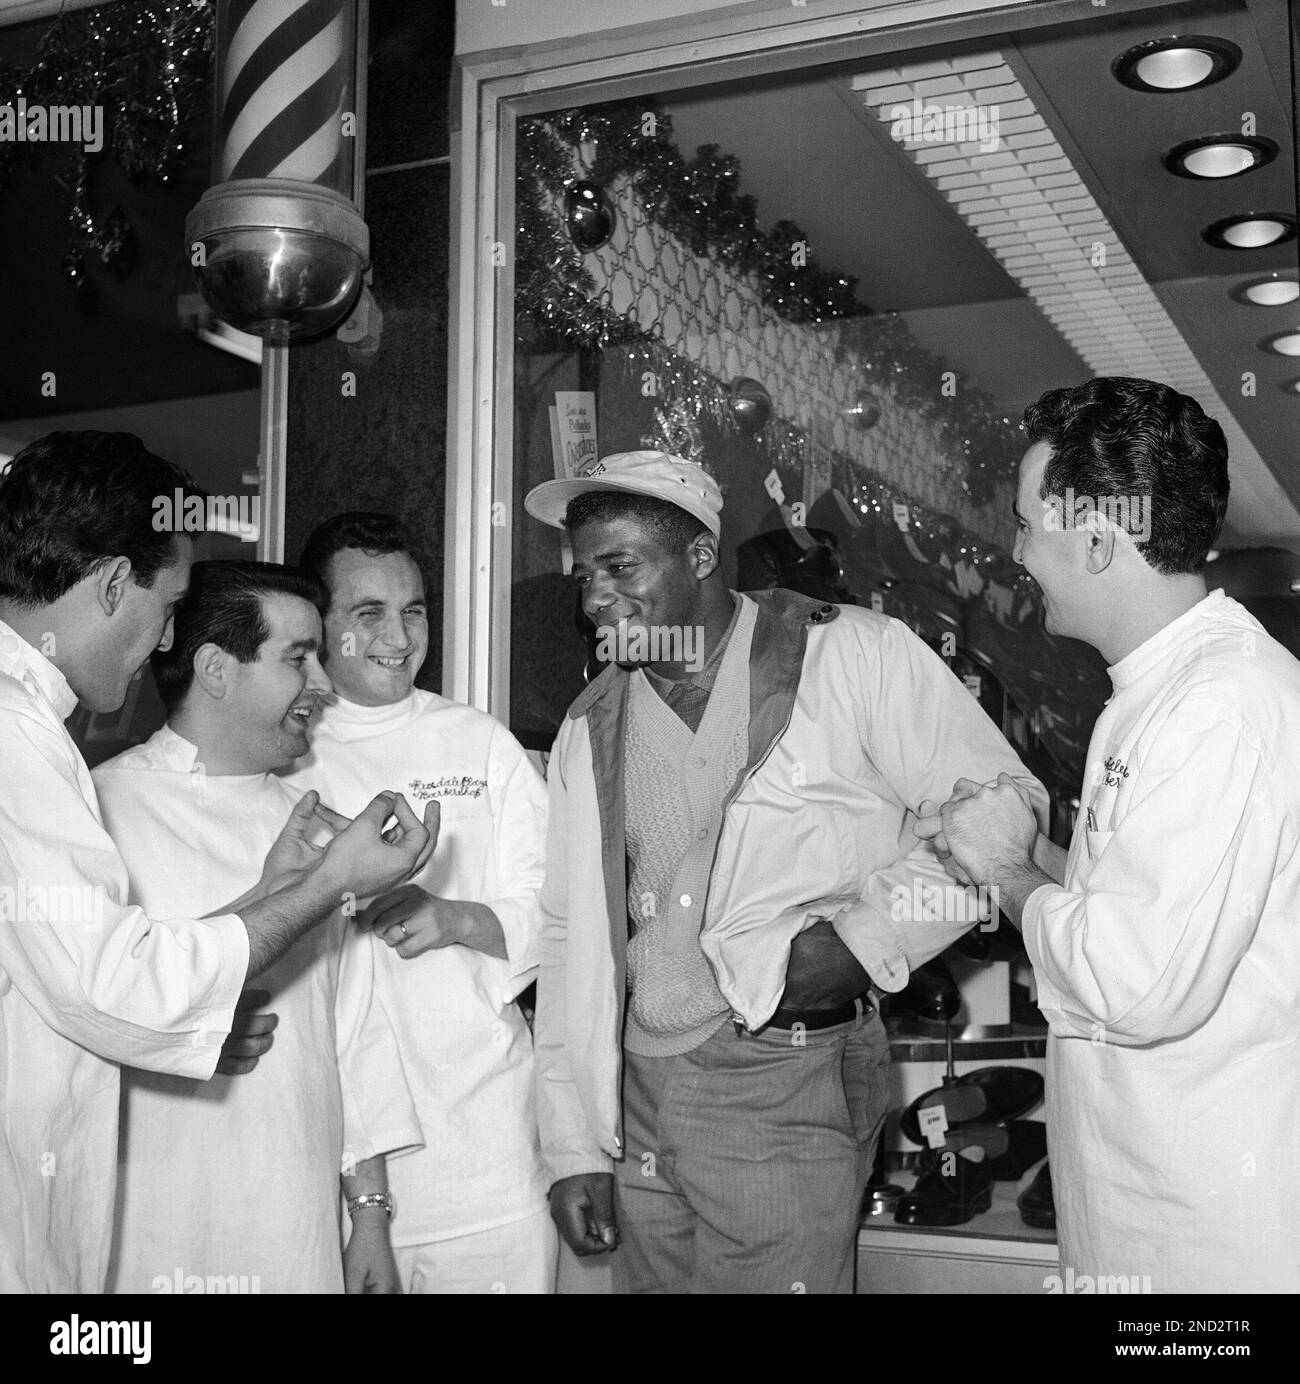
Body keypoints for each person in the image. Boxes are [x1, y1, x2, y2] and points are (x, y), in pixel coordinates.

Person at [523, 449, 1048, 1293]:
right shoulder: (591, 726)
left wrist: (864, 941)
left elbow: (1003, 810)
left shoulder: (849, 657)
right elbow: (565, 937)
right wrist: (572, 1144)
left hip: (784, 1071)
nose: (593, 599)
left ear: (700, 557)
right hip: (633, 1093)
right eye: (582, 576)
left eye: (619, 567)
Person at [0, 432, 435, 1293]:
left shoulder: (31, 732)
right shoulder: (22, 738)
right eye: (168, 606)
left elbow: (99, 967)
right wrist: (324, 887)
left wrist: (277, 893)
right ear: (115, 583)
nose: (164, 634)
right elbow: (113, 986)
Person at [919, 376, 1300, 1293]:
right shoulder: (1159, 692)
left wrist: (1009, 874)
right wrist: (1029, 853)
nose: (1016, 552)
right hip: (1145, 1220)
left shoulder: (1222, 703)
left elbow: (1136, 986)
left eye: (1025, 523)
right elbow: (1134, 909)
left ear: (1094, 538)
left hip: (1209, 1249)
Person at [94, 561, 424, 1293]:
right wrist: (184, 1031)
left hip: (293, 1224)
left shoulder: (319, 826)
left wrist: (368, 1213)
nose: (325, 686)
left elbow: (353, 1025)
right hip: (144, 1227)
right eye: (299, 659)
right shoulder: (99, 814)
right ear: (216, 668)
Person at [287, 513, 555, 1293]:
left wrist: (454, 918)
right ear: (320, 623)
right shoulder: (286, 755)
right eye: (368, 613)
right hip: (338, 1159)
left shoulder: (477, 743)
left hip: (487, 1147)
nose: (398, 637)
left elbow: (559, 914)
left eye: (414, 611)